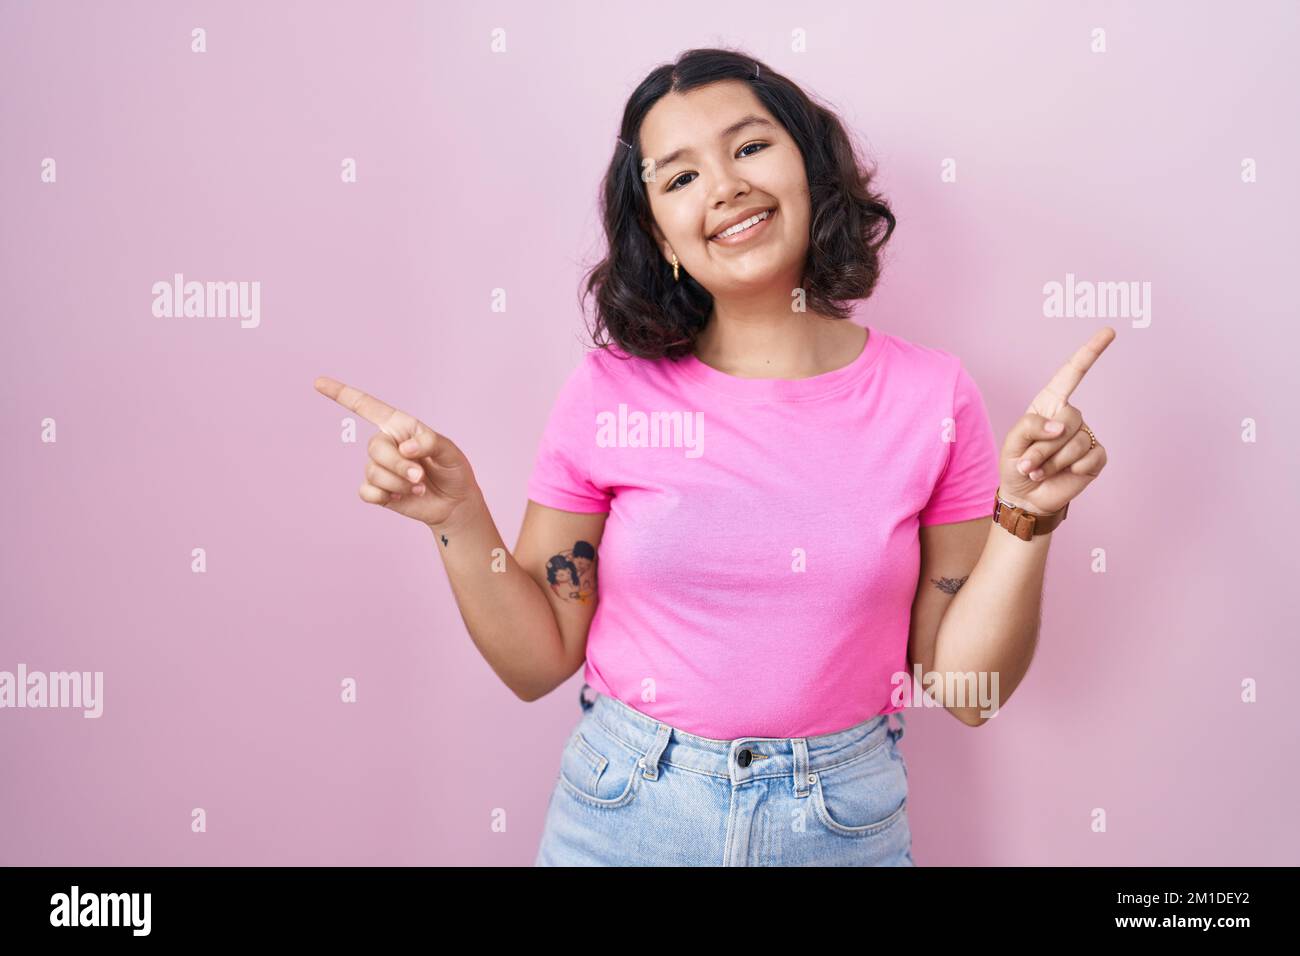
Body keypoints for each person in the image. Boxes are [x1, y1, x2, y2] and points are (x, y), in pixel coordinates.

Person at [313, 48, 1111, 866]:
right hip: (624, 815)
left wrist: (1030, 517)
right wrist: (456, 516)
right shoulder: (607, 395)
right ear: (658, 234)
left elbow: (963, 692)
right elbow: (536, 661)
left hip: (840, 824)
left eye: (750, 146)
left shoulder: (933, 398)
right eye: (680, 177)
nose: (725, 185)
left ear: (811, 169)